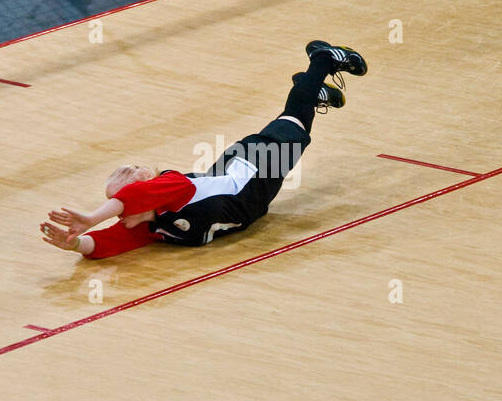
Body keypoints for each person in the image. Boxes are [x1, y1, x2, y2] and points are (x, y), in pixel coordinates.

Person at [40, 41, 367, 258]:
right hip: (242, 181)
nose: (120, 216)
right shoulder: (148, 227)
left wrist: (90, 217)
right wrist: (74, 244)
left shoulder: (174, 187)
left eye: (118, 207)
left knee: (296, 120)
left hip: (256, 168)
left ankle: (321, 58)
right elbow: (107, 244)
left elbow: (133, 198)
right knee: (295, 121)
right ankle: (310, 91)